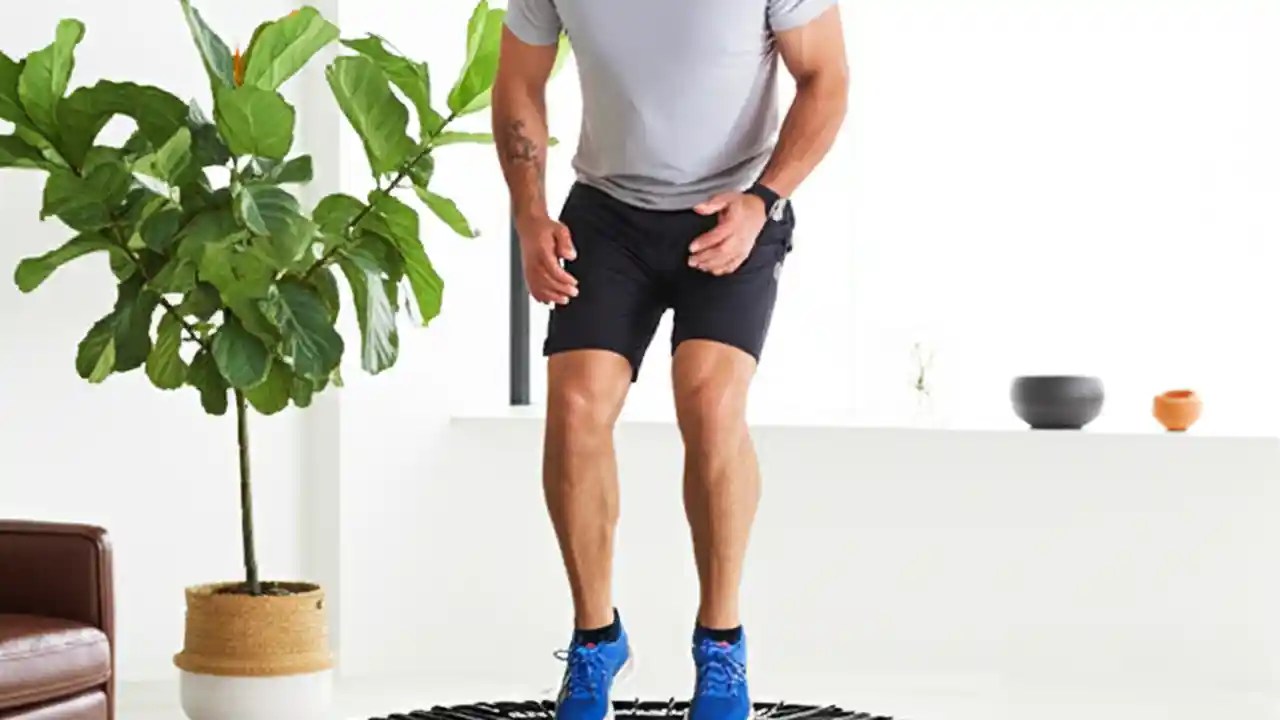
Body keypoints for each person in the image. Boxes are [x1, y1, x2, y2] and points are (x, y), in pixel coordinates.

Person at [492, 2, 848, 719]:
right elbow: (518, 83)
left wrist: (763, 200)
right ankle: (597, 641)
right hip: (607, 212)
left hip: (734, 208)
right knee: (575, 404)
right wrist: (530, 214)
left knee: (709, 401)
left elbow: (826, 78)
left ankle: (722, 643)